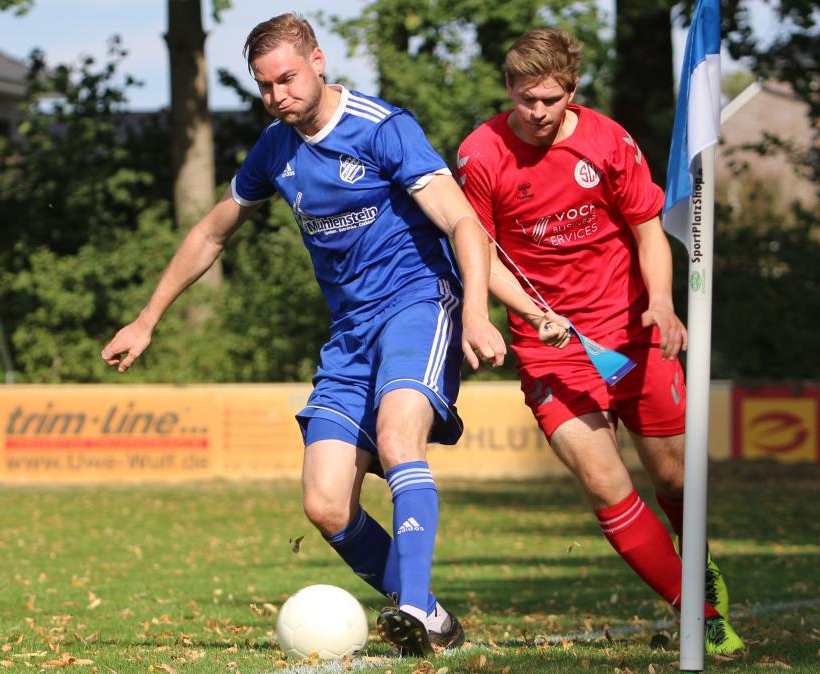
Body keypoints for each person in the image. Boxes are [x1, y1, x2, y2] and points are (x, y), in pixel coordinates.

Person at [101, 13, 506, 657]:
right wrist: (147, 319)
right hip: (348, 336)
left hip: (416, 306)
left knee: (402, 437)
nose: (278, 96)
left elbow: (461, 222)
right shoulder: (274, 149)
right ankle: (430, 615)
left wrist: (478, 313)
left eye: (286, 79)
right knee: (325, 504)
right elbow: (210, 233)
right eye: (264, 86)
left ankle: (409, 608)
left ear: (318, 62)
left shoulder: (384, 129)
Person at [455, 28, 744, 655]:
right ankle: (698, 614)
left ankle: (695, 563)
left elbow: (647, 233)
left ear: (572, 92)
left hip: (634, 332)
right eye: (526, 98)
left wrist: (662, 307)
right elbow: (478, 249)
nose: (537, 112)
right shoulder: (480, 154)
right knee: (605, 480)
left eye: (550, 99)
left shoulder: (608, 140)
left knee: (674, 477)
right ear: (508, 89)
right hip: (552, 346)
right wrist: (530, 311)